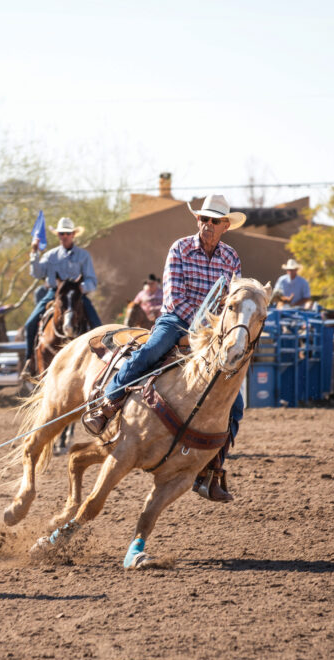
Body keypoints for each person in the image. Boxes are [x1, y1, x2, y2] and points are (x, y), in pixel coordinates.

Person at [83, 194, 246, 502]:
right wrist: (203, 324)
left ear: (225, 225)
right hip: (178, 321)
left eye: (215, 221)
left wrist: (218, 324)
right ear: (197, 220)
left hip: (212, 332)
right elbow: (173, 298)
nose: (208, 225)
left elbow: (231, 299)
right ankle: (107, 403)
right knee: (152, 350)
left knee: (234, 403)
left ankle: (212, 467)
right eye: (204, 219)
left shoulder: (231, 257)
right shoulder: (180, 248)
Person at [22, 217, 101, 375]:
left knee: (97, 325)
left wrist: (81, 287)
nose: (64, 236)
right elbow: (37, 273)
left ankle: (101, 360)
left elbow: (92, 281)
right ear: (58, 236)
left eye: (67, 233)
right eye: (61, 234)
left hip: (76, 295)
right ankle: (29, 361)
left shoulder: (83, 256)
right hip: (54, 294)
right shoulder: (50, 256)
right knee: (30, 324)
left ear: (73, 235)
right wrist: (34, 253)